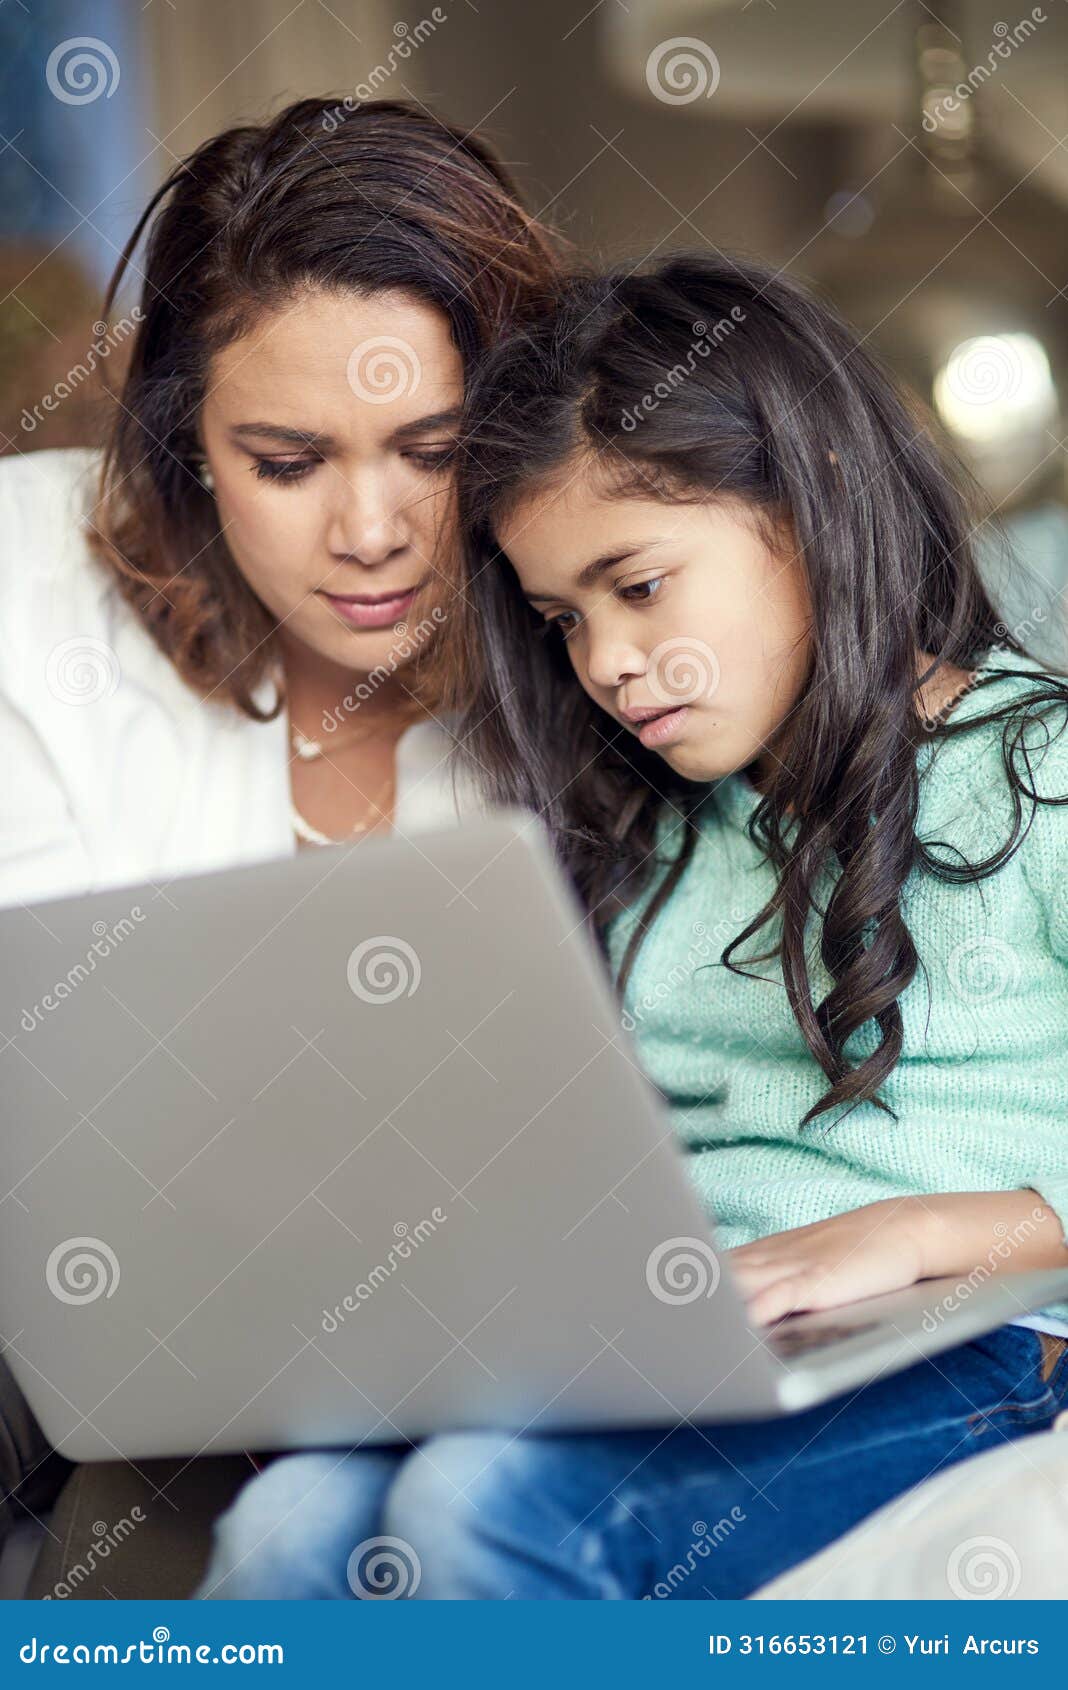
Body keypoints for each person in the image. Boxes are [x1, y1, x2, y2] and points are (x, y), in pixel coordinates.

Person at [197, 254, 1068, 1601]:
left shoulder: (1045, 770)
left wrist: (927, 1232)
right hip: (695, 1334)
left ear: (817, 490)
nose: (601, 660)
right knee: (293, 1521)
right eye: (562, 620)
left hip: (974, 1340)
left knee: (483, 1504)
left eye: (639, 585)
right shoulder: (659, 841)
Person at [0, 94, 560, 1590]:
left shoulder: (604, 659)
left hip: (464, 1352)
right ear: (186, 441)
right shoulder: (26, 588)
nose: (371, 531)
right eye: (289, 460)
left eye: (432, 448)